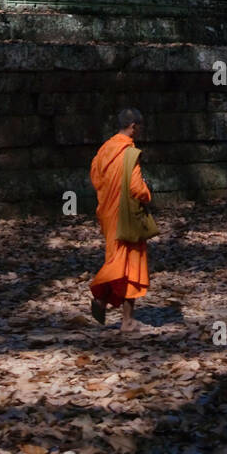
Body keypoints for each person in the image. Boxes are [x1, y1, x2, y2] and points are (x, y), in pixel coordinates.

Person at [89, 109, 152, 332]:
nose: (142, 131)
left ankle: (102, 300)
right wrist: (147, 193)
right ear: (133, 126)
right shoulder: (129, 152)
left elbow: (96, 179)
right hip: (126, 217)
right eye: (141, 127)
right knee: (130, 265)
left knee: (115, 259)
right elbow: (136, 188)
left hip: (108, 213)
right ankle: (127, 321)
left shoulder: (104, 149)